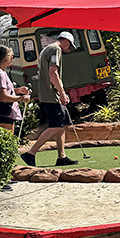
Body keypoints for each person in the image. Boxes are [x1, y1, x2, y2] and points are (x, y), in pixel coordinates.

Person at [21, 31, 79, 167]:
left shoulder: (46, 49)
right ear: (65, 41)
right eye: (69, 46)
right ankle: (31, 153)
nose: (68, 49)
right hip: (51, 94)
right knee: (56, 125)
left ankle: (61, 157)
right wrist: (62, 92)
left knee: (62, 124)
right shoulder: (55, 50)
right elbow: (53, 74)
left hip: (47, 93)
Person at [0, 44, 30, 134]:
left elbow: (2, 92)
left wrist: (18, 91)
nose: (13, 59)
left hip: (1, 114)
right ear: (6, 58)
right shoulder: (0, 74)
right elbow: (3, 96)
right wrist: (21, 99)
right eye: (12, 56)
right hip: (3, 114)